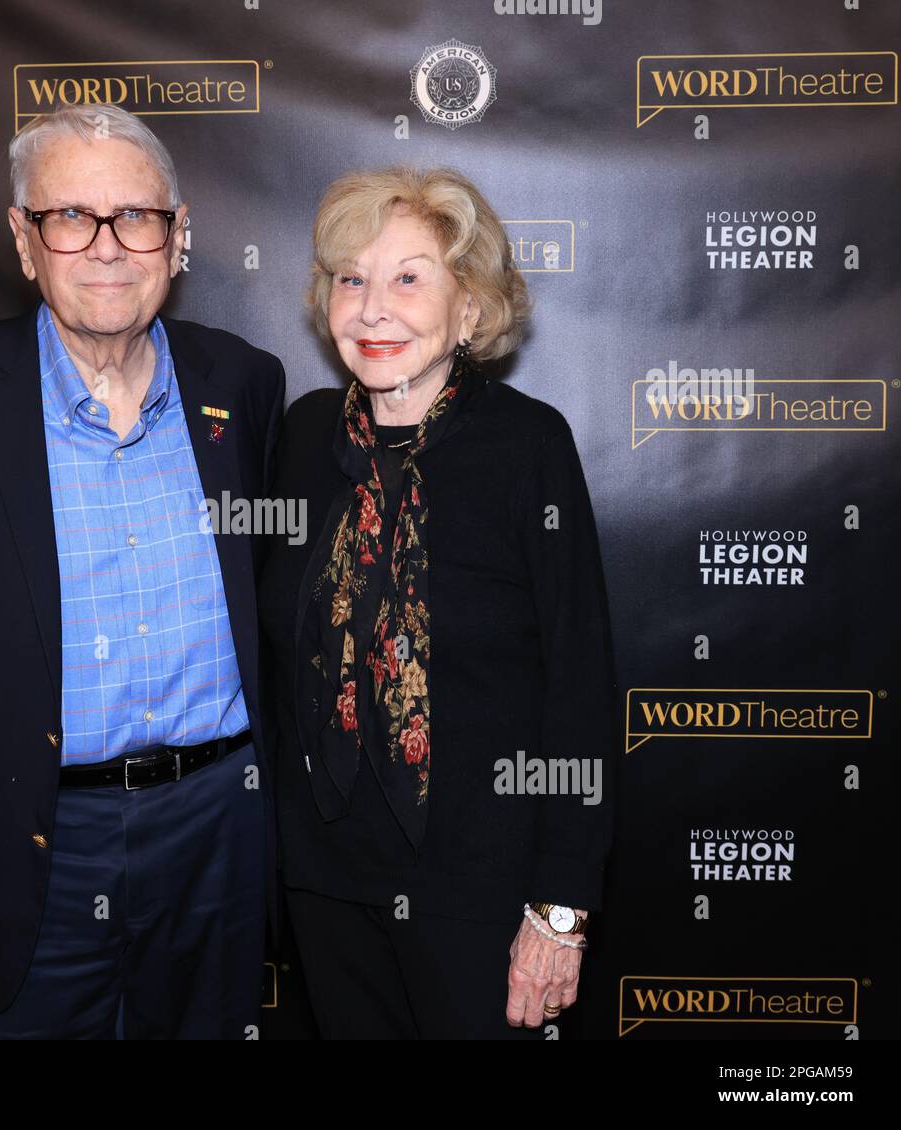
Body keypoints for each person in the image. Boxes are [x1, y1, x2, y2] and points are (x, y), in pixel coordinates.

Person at [0, 102, 285, 1039]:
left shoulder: (243, 383)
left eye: (139, 217)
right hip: (27, 839)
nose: (109, 246)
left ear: (179, 235)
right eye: (70, 216)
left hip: (222, 833)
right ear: (22, 239)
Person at [257, 166, 618, 1039]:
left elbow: (580, 684)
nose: (373, 308)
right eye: (353, 279)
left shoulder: (526, 446)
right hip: (324, 883)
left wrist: (560, 912)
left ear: (470, 309)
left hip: (481, 891)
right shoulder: (302, 437)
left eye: (409, 278)